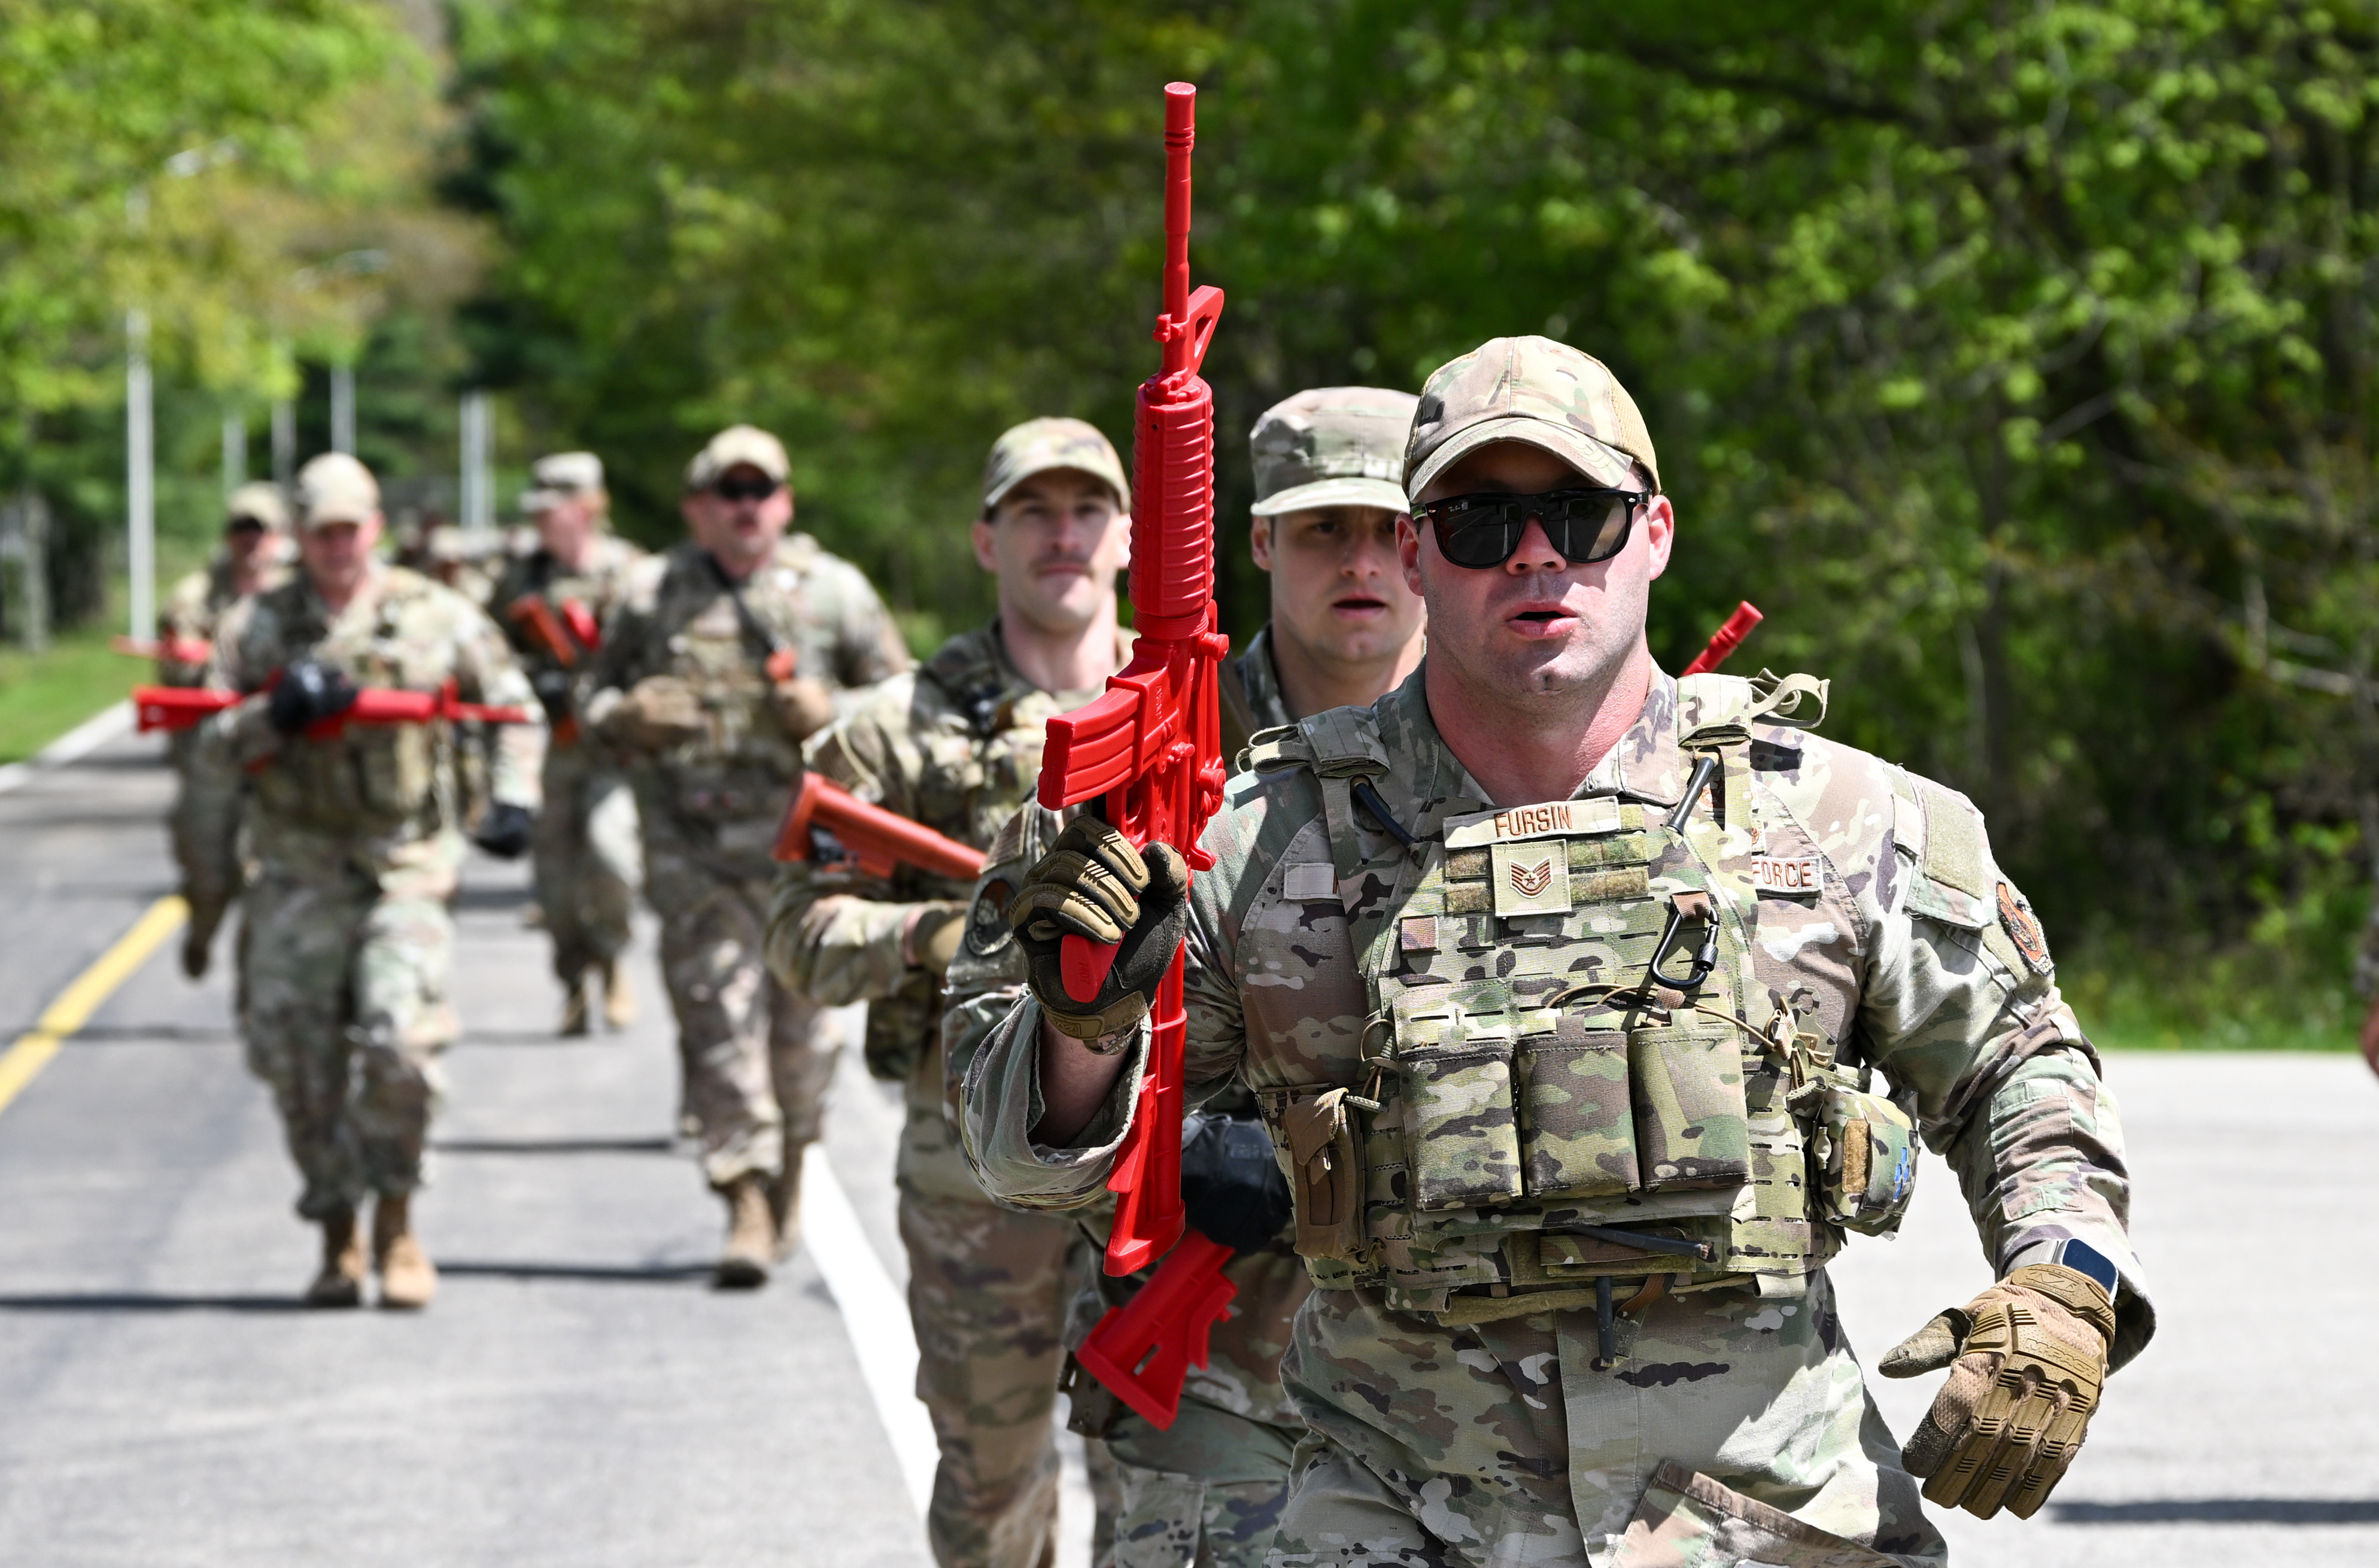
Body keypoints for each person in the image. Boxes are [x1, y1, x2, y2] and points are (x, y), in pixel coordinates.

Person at [964, 337, 2154, 1565]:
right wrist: (1080, 1018)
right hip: (1396, 1520)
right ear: (1418, 550)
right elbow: (1028, 1165)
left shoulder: (1839, 822)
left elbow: (2018, 1063)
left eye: (1577, 513)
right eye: (1479, 519)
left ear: (1653, 531)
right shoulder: (1258, 845)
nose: (1533, 553)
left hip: (1759, 1520)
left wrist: (2061, 1280)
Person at [762, 417, 1133, 1568]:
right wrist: (951, 933)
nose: (1063, 536)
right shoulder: (898, 729)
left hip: (1162, 1151)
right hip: (973, 1157)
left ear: (1128, 537)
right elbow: (800, 935)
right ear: (987, 540)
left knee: (1175, 1474)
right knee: (992, 1470)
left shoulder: (1209, 710)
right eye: (1034, 512)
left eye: (1087, 512)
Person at [180, 452, 546, 1310]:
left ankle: (397, 1216)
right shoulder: (257, 624)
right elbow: (205, 744)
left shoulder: (435, 614)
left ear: (374, 527)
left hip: (403, 866)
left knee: (400, 1041)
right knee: (296, 1060)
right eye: (322, 532)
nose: (339, 546)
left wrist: (514, 800)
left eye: (351, 529)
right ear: (298, 537)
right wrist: (276, 713)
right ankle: (335, 1227)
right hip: (298, 870)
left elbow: (513, 706)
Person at [583, 423, 909, 1286]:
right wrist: (626, 716)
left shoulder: (833, 591)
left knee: (802, 1040)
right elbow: (590, 697)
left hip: (808, 858)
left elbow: (906, 702)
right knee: (716, 1025)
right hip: (691, 850)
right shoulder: (649, 594)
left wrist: (829, 707)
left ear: (784, 504)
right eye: (727, 493)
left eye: (759, 491)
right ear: (697, 509)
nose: (744, 508)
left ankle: (793, 1163)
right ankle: (745, 1197)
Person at [490, 453, 647, 1035]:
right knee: (555, 887)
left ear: (587, 508)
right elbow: (489, 652)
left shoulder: (632, 573)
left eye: (552, 510)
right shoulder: (521, 578)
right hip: (549, 752)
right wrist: (531, 680)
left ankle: (612, 960)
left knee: (612, 858)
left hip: (613, 749)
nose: (542, 522)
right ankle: (573, 980)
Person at [1220, 387, 1427, 755]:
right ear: (1262, 540)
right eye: (1325, 527)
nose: (1361, 566)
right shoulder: (1180, 740)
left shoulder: (1506, 729)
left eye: (1391, 531)